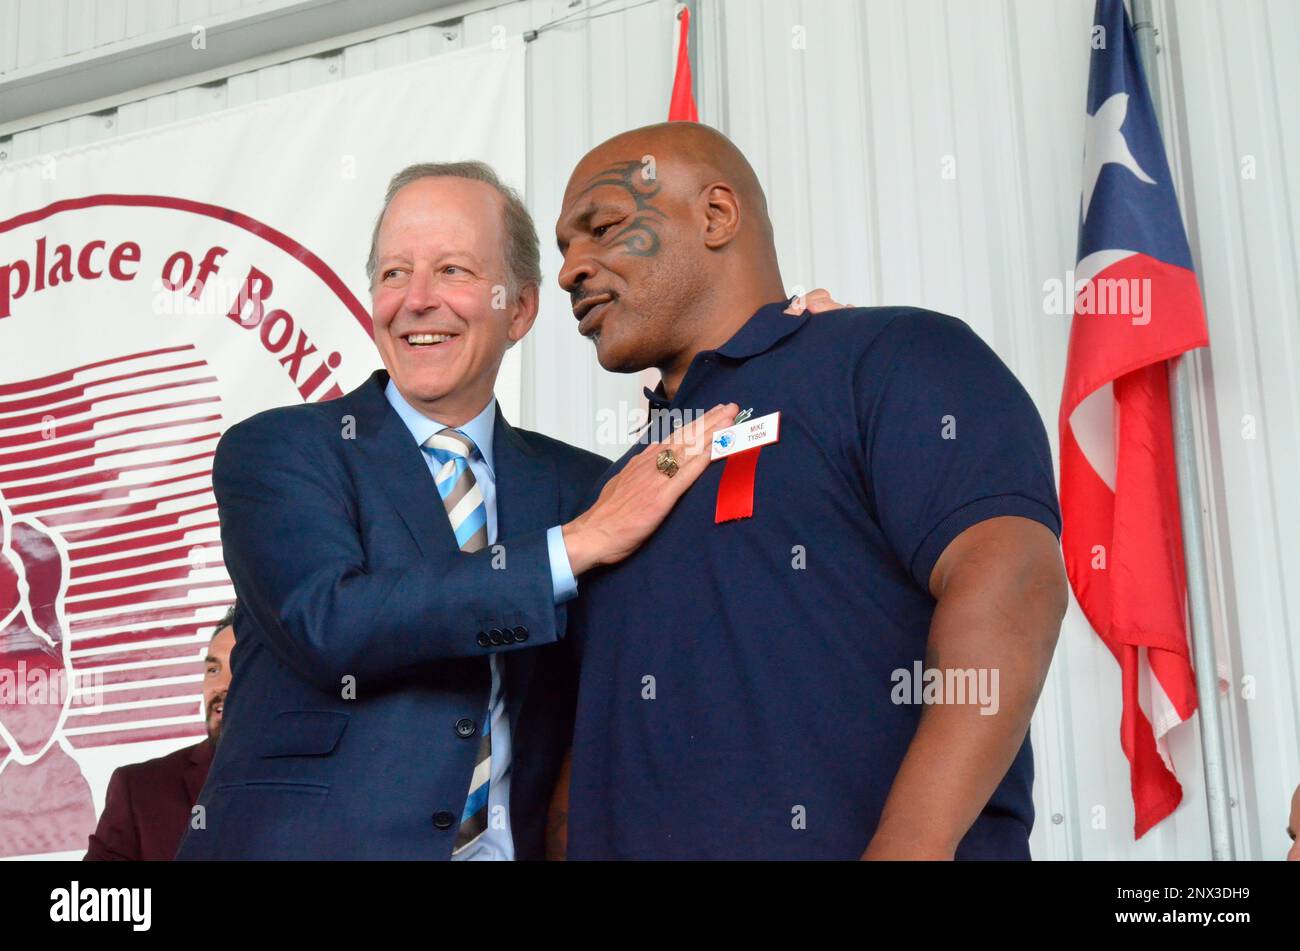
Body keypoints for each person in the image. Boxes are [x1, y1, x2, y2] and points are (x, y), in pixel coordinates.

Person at [176, 161, 743, 860]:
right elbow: (330, 620)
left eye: (452, 270)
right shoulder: (277, 451)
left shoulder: (590, 486)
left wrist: (797, 342)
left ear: (522, 308)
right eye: (393, 274)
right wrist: (569, 548)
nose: (415, 300)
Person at [550, 122, 1068, 860]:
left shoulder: (890, 356)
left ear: (716, 215)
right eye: (562, 251)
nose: (572, 269)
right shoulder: (615, 498)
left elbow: (1013, 579)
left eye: (600, 228)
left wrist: (908, 846)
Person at [84, 606, 235, 861]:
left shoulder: (316, 781)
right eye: (213, 670)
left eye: (238, 667)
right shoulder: (141, 789)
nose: (220, 685)